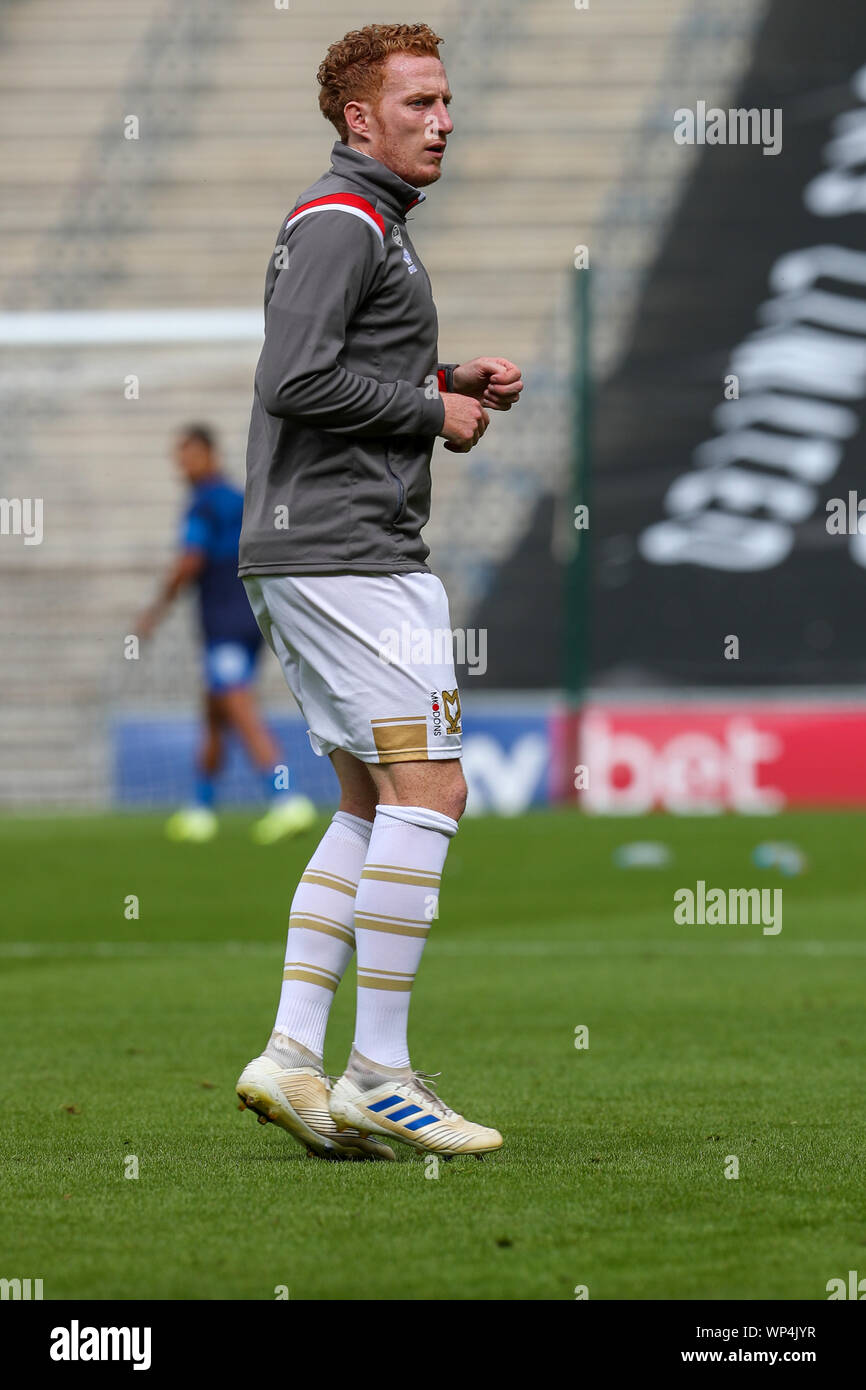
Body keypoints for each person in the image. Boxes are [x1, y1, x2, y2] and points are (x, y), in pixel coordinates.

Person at [235, 22, 523, 1160]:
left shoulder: (368, 225)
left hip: (323, 551)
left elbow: (332, 363)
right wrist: (426, 411)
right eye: (417, 104)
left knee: (368, 799)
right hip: (349, 555)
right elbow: (292, 376)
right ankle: (382, 1072)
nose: (440, 120)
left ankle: (292, 1055)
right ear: (360, 119)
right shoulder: (342, 221)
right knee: (430, 792)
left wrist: (441, 380)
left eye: (445, 102)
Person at [138, 424, 317, 845]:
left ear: (208, 454)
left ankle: (286, 798)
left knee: (237, 706)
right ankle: (200, 810)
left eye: (188, 455)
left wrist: (153, 613)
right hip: (251, 617)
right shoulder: (240, 500)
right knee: (215, 711)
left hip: (224, 623)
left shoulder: (203, 504)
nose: (182, 465)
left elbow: (189, 561)